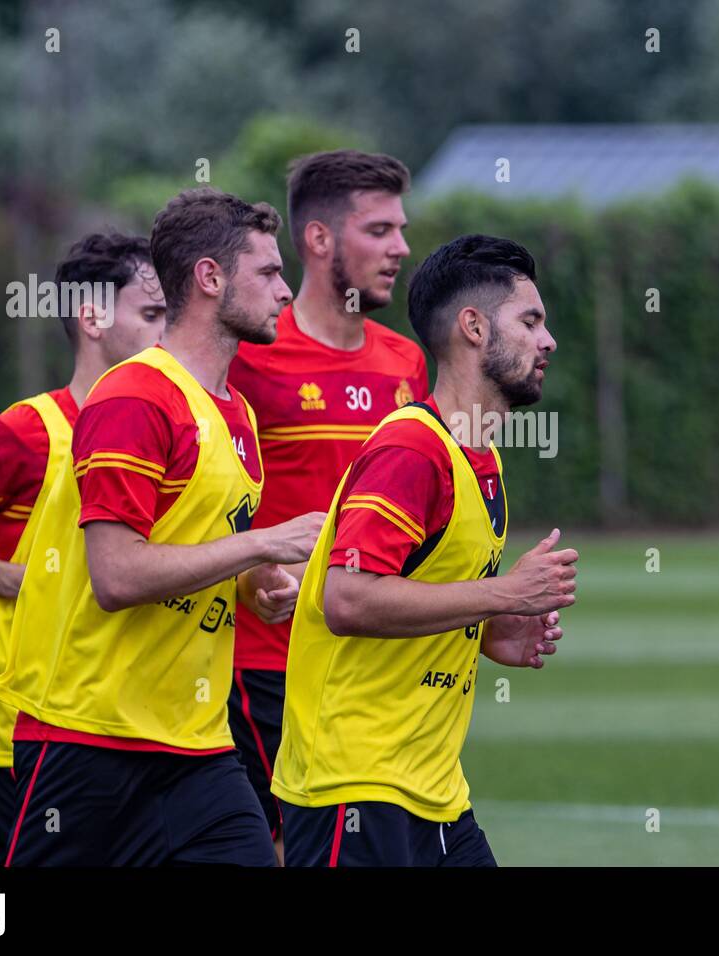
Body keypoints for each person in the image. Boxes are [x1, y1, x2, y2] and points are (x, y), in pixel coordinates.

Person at [0, 189, 323, 865]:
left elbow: (202, 542)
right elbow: (116, 576)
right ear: (209, 278)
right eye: (267, 272)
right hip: (87, 740)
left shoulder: (237, 413)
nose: (286, 291)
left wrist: (259, 580)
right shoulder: (136, 395)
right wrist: (265, 541)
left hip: (198, 747)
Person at [272, 235, 577, 866]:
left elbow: (424, 591)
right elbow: (348, 598)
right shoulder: (412, 448)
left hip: (434, 793)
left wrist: (492, 629)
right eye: (530, 321)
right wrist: (506, 593)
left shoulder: (482, 456)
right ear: (472, 327)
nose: (547, 341)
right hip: (354, 790)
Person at [0, 231, 166, 865]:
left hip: (103, 716)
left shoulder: (161, 431)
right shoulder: (25, 431)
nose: (166, 330)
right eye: (152, 314)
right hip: (10, 724)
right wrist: (24, 582)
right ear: (92, 317)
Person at [226, 150, 427, 852]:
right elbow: (203, 496)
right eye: (378, 231)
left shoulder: (406, 362)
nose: (400, 247)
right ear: (316, 240)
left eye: (401, 229)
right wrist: (251, 570)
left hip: (374, 666)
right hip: (272, 662)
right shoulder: (250, 355)